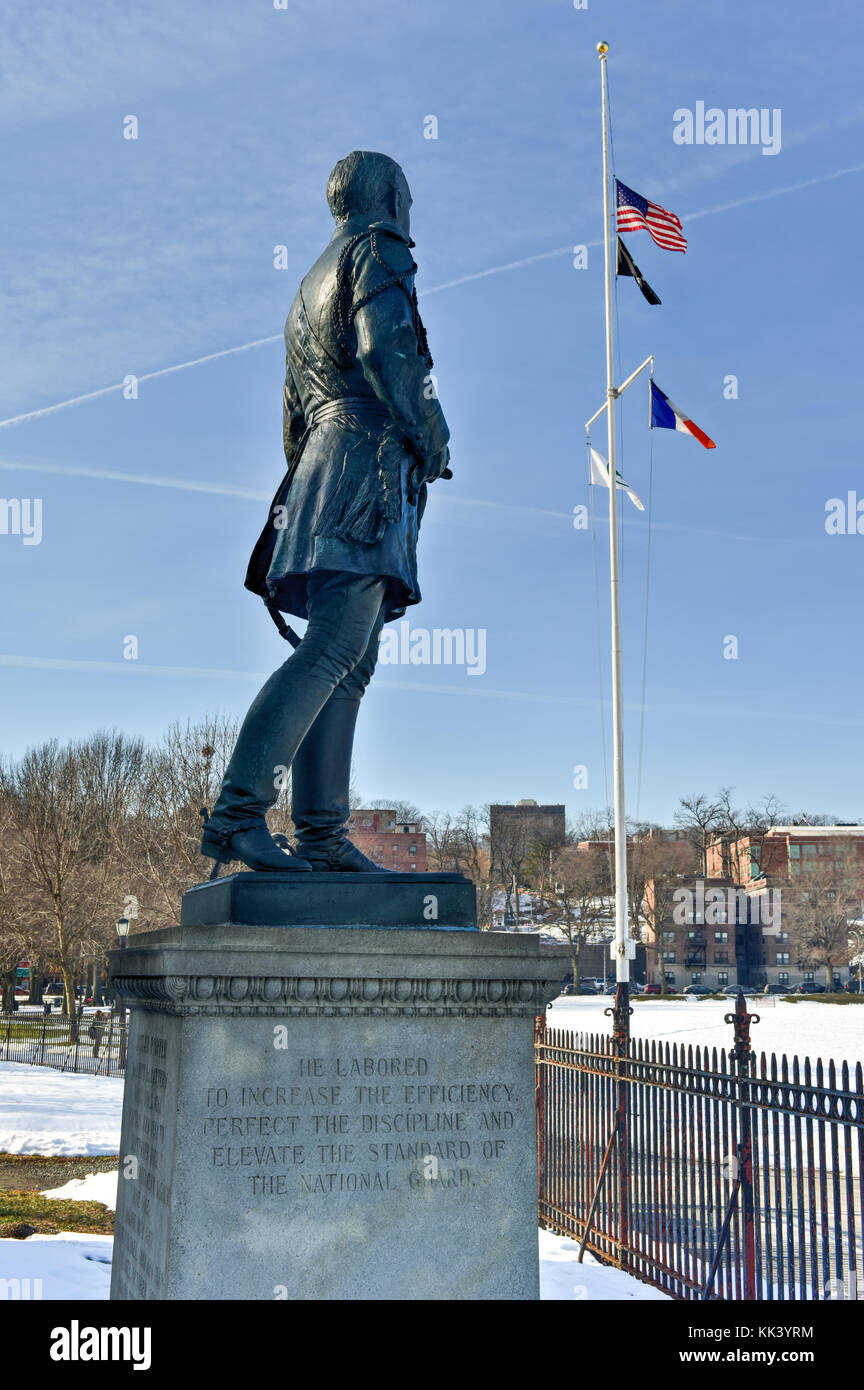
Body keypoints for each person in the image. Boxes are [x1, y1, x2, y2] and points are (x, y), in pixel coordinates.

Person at [201, 151, 450, 875]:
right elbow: (391, 349)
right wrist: (432, 433)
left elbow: (291, 419)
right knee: (334, 653)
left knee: (349, 662)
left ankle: (322, 837)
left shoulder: (308, 285)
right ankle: (238, 815)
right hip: (363, 466)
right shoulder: (380, 249)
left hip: (318, 470)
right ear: (393, 197)